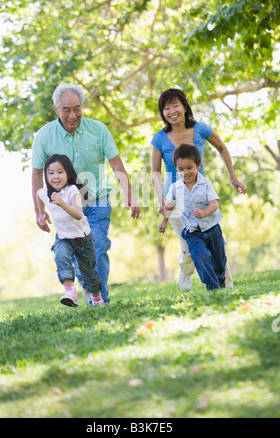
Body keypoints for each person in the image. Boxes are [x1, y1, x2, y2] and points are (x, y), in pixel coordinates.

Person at [32, 83, 140, 305]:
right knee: (71, 253)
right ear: (56, 110)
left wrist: (129, 192)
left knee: (97, 247)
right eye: (66, 110)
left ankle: (100, 301)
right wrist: (39, 211)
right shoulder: (44, 136)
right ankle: (91, 292)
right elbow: (36, 175)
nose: (73, 115)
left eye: (77, 108)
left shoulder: (99, 129)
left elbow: (115, 162)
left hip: (97, 200)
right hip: (64, 207)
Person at [152, 88, 246, 291]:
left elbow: (222, 148)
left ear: (185, 107)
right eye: (166, 108)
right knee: (188, 245)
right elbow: (154, 172)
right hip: (175, 199)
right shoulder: (159, 138)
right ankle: (185, 272)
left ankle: (226, 284)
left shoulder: (201, 129)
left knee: (216, 242)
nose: (172, 111)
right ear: (162, 113)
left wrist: (233, 177)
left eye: (175, 105)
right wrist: (161, 200)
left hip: (201, 195)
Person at [37, 154, 104, 307]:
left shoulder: (72, 190)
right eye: (51, 172)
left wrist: (62, 204)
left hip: (82, 238)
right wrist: (41, 213)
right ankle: (70, 291)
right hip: (63, 237)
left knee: (88, 273)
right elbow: (38, 195)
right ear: (46, 175)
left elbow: (78, 214)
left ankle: (97, 299)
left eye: (60, 172)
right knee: (60, 256)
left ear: (68, 173)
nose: (55, 176)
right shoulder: (46, 193)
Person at [159, 144, 227, 291]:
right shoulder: (174, 188)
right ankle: (213, 289)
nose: (185, 172)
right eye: (181, 169)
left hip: (212, 227)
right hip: (192, 231)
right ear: (176, 169)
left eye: (190, 168)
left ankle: (221, 278)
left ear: (198, 165)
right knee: (201, 259)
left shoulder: (206, 183)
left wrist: (204, 213)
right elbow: (169, 206)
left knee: (219, 262)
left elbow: (214, 204)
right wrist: (164, 222)